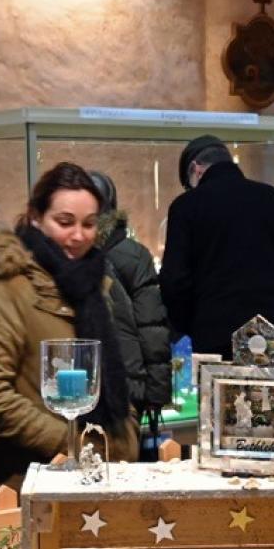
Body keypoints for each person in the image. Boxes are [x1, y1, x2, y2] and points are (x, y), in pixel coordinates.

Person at [0, 163, 142, 491]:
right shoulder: (7, 290)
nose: (78, 235)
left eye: (89, 224)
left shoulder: (95, 287)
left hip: (101, 474)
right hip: (32, 481)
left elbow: (114, 376)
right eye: (64, 222)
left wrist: (124, 434)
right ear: (35, 218)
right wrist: (69, 442)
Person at [159, 134, 274, 358]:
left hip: (214, 335)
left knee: (219, 393)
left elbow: (174, 279)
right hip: (271, 334)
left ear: (196, 169)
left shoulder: (187, 206)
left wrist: (193, 320)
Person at [89, 171, 172, 418]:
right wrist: (156, 393)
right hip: (128, 381)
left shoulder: (70, 256)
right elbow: (152, 328)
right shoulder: (134, 255)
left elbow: (151, 326)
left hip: (90, 383)